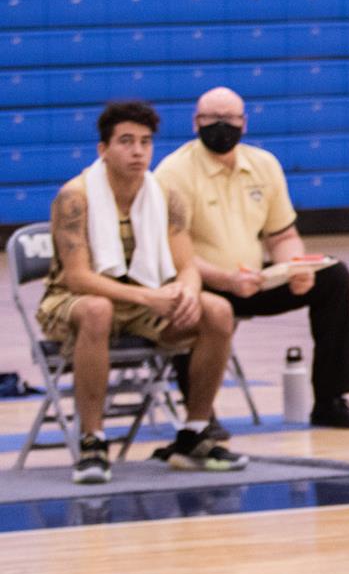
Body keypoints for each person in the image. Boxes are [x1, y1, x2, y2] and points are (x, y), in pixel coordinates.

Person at [37, 100, 249, 483]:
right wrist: (149, 298)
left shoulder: (166, 196)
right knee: (98, 309)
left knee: (217, 310)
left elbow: (186, 265)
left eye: (145, 142)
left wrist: (187, 292)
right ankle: (92, 440)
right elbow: (78, 278)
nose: (137, 151)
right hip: (72, 301)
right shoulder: (74, 197)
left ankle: (194, 433)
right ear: (103, 149)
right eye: (126, 141)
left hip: (142, 301)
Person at [155, 87, 349, 432]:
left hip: (253, 279)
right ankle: (201, 415)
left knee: (333, 275)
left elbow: (282, 235)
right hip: (204, 282)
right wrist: (226, 280)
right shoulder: (173, 173)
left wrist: (296, 268)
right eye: (213, 119)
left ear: (244, 123)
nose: (222, 126)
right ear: (196, 123)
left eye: (230, 119)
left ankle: (331, 400)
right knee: (192, 300)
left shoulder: (264, 165)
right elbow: (171, 253)